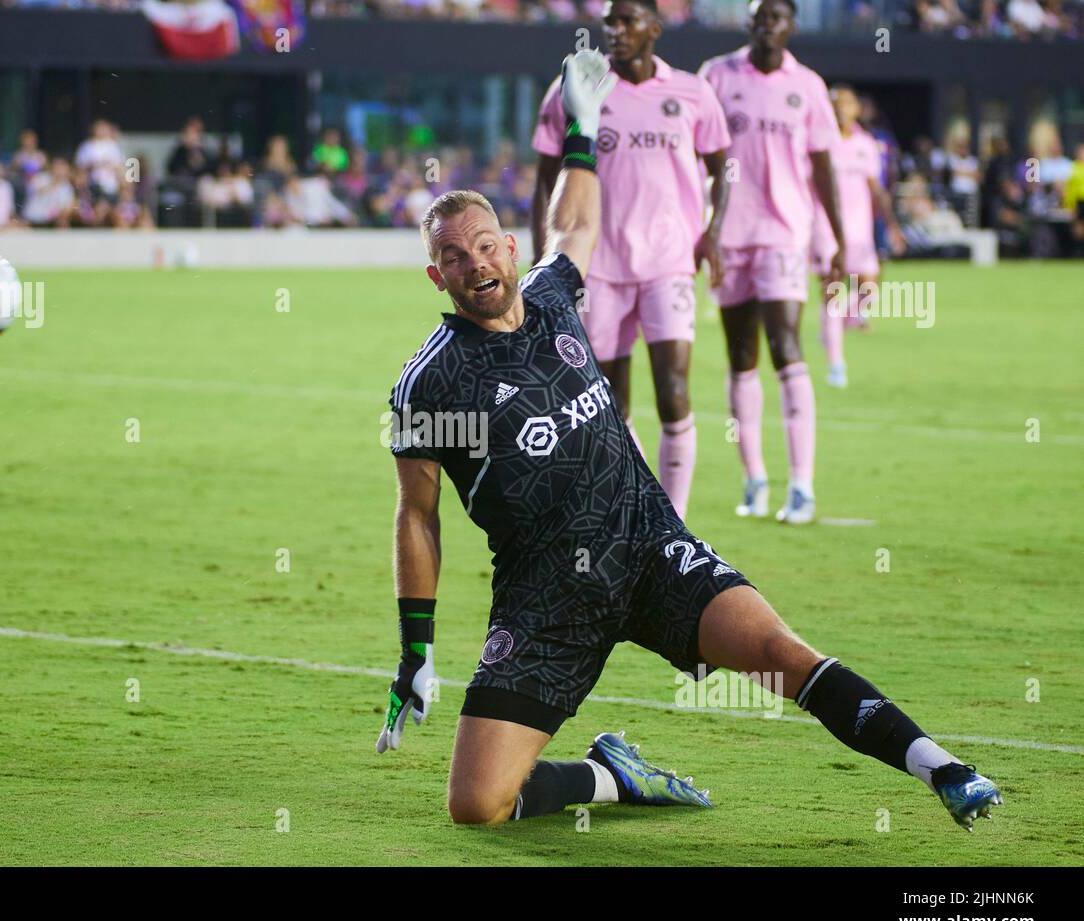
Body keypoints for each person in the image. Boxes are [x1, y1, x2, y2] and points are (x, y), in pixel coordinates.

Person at [376, 50, 1002, 833]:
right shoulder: (429, 384)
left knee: (782, 654)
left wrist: (582, 125)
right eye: (453, 257)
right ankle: (611, 777)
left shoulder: (553, 293)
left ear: (509, 246)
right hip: (545, 601)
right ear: (436, 277)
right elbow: (417, 516)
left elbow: (574, 220)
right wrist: (416, 650)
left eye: (484, 245)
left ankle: (944, 768)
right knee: (477, 807)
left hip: (648, 550)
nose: (475, 264)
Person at [531, 0, 731, 519]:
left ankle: (675, 525)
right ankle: (648, 515)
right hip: (597, 268)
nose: (616, 31)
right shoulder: (576, 88)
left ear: (655, 30)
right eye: (611, 22)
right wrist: (542, 263)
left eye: (628, 21)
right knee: (610, 407)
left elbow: (720, 166)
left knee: (674, 390)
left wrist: (713, 229)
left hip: (669, 264)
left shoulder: (692, 92)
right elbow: (546, 181)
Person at [700, 0, 845, 525]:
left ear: (791, 27)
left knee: (786, 345)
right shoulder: (716, 75)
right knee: (741, 354)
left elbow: (823, 163)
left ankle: (802, 485)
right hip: (729, 234)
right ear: (749, 23)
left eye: (777, 18)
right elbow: (696, 155)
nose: (767, 25)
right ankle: (755, 477)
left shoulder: (807, 85)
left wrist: (839, 241)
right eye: (759, 16)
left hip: (785, 232)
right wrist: (703, 228)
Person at [810, 86, 905, 386]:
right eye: (836, 103)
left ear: (856, 109)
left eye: (847, 103)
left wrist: (892, 225)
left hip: (860, 229)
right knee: (833, 289)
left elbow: (875, 187)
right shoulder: (820, 143)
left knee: (869, 287)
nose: (841, 109)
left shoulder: (867, 144)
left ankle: (839, 324)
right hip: (825, 227)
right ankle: (836, 365)